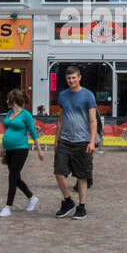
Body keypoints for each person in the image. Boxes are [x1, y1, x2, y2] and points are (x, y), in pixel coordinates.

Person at [53, 66, 97, 219]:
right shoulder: (63, 96)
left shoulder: (88, 95)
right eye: (68, 78)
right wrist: (56, 139)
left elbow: (93, 120)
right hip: (64, 140)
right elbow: (60, 119)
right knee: (59, 172)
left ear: (79, 78)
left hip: (82, 142)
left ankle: (82, 207)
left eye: (74, 78)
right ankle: (68, 202)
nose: (71, 81)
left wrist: (91, 141)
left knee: (82, 176)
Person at [0, 89, 43, 217]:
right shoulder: (9, 113)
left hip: (21, 149)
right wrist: (2, 147)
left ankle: (8, 206)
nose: (6, 101)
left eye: (8, 99)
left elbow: (33, 132)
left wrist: (39, 149)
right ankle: (32, 197)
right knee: (16, 178)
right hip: (9, 149)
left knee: (12, 176)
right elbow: (7, 131)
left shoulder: (26, 115)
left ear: (12, 100)